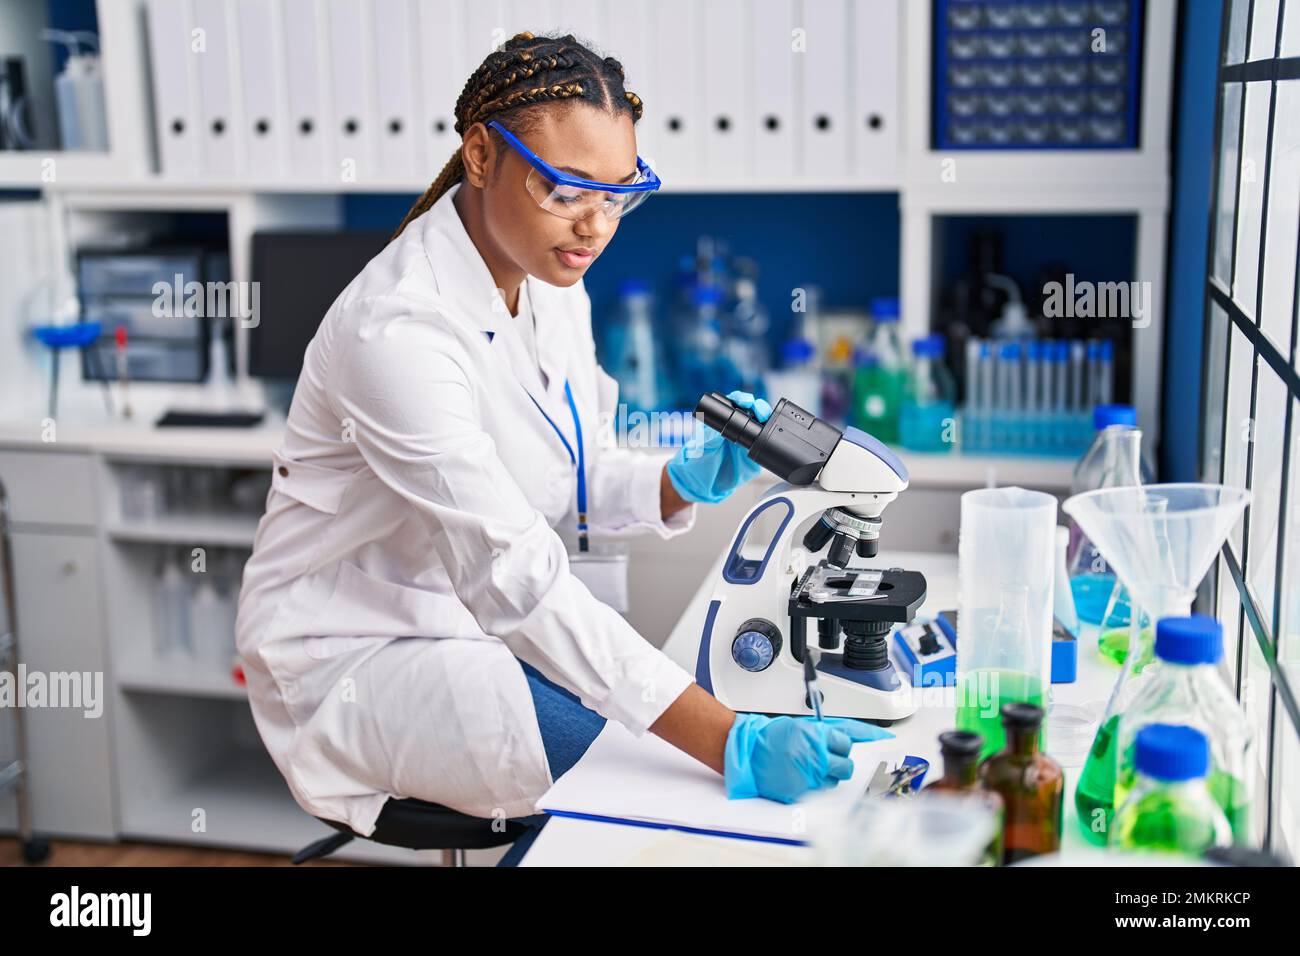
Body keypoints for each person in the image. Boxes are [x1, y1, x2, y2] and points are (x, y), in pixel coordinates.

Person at [236, 30, 887, 866]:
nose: (595, 225)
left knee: (665, 737)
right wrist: (730, 740)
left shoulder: (548, 279)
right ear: (480, 155)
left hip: (476, 624)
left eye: (617, 195)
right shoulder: (396, 331)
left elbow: (568, 478)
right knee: (640, 768)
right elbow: (512, 572)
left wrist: (676, 482)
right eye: (565, 188)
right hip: (357, 656)